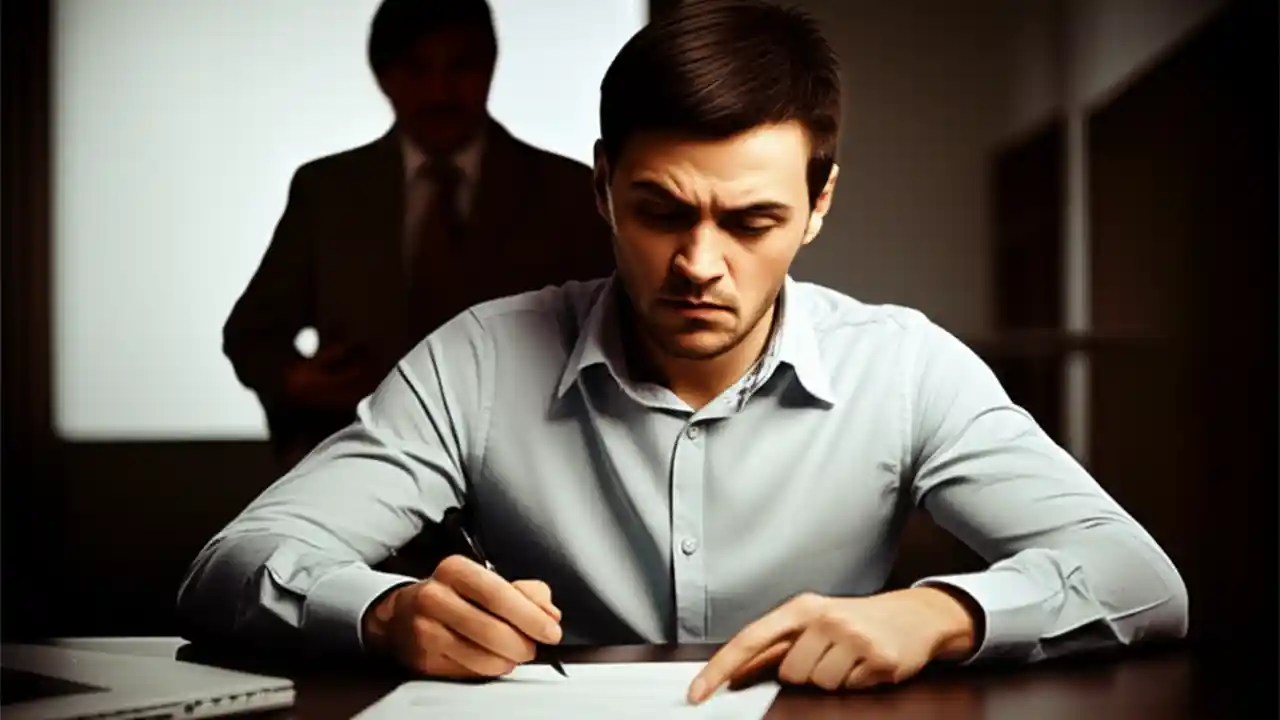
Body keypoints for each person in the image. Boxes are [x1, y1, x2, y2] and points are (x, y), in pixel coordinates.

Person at [181, 0, 1188, 703]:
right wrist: (383, 610)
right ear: (601, 188)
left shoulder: (905, 367)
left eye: (751, 221)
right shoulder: (475, 361)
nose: (697, 264)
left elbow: (1137, 579)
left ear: (818, 206)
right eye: (658, 211)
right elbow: (230, 567)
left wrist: (943, 615)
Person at [223, 0, 614, 469]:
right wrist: (296, 382)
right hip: (359, 459)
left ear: (490, 66)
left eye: (460, 67)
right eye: (416, 70)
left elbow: (618, 337)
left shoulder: (569, 191)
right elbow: (252, 332)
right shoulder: (326, 191)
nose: (439, 91)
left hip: (530, 467)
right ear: (383, 77)